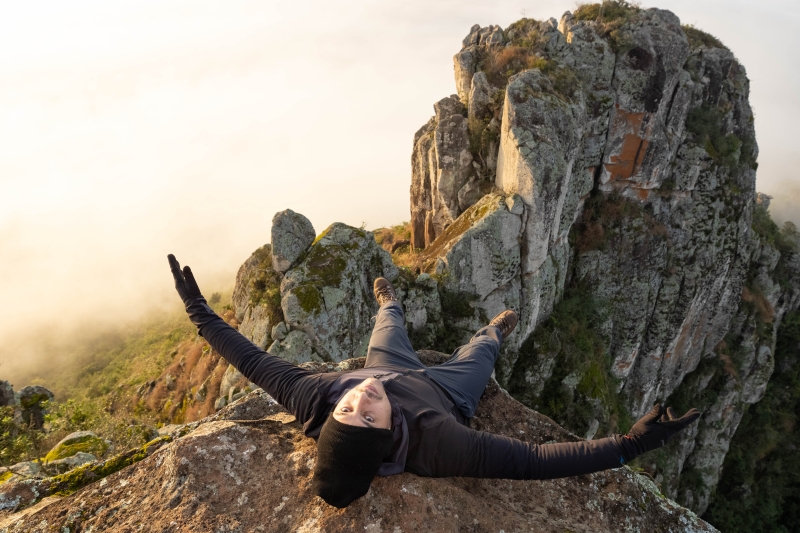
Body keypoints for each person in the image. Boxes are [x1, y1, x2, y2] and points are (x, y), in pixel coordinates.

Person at [168, 254, 700, 508]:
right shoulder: (437, 444)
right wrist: (628, 446)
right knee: (481, 355)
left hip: (386, 357)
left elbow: (250, 358)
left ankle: (389, 300)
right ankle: (493, 330)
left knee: (389, 323)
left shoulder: (314, 397)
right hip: (443, 391)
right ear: (384, 437)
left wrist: (196, 309)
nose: (361, 398)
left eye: (347, 410)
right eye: (369, 416)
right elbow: (534, 462)